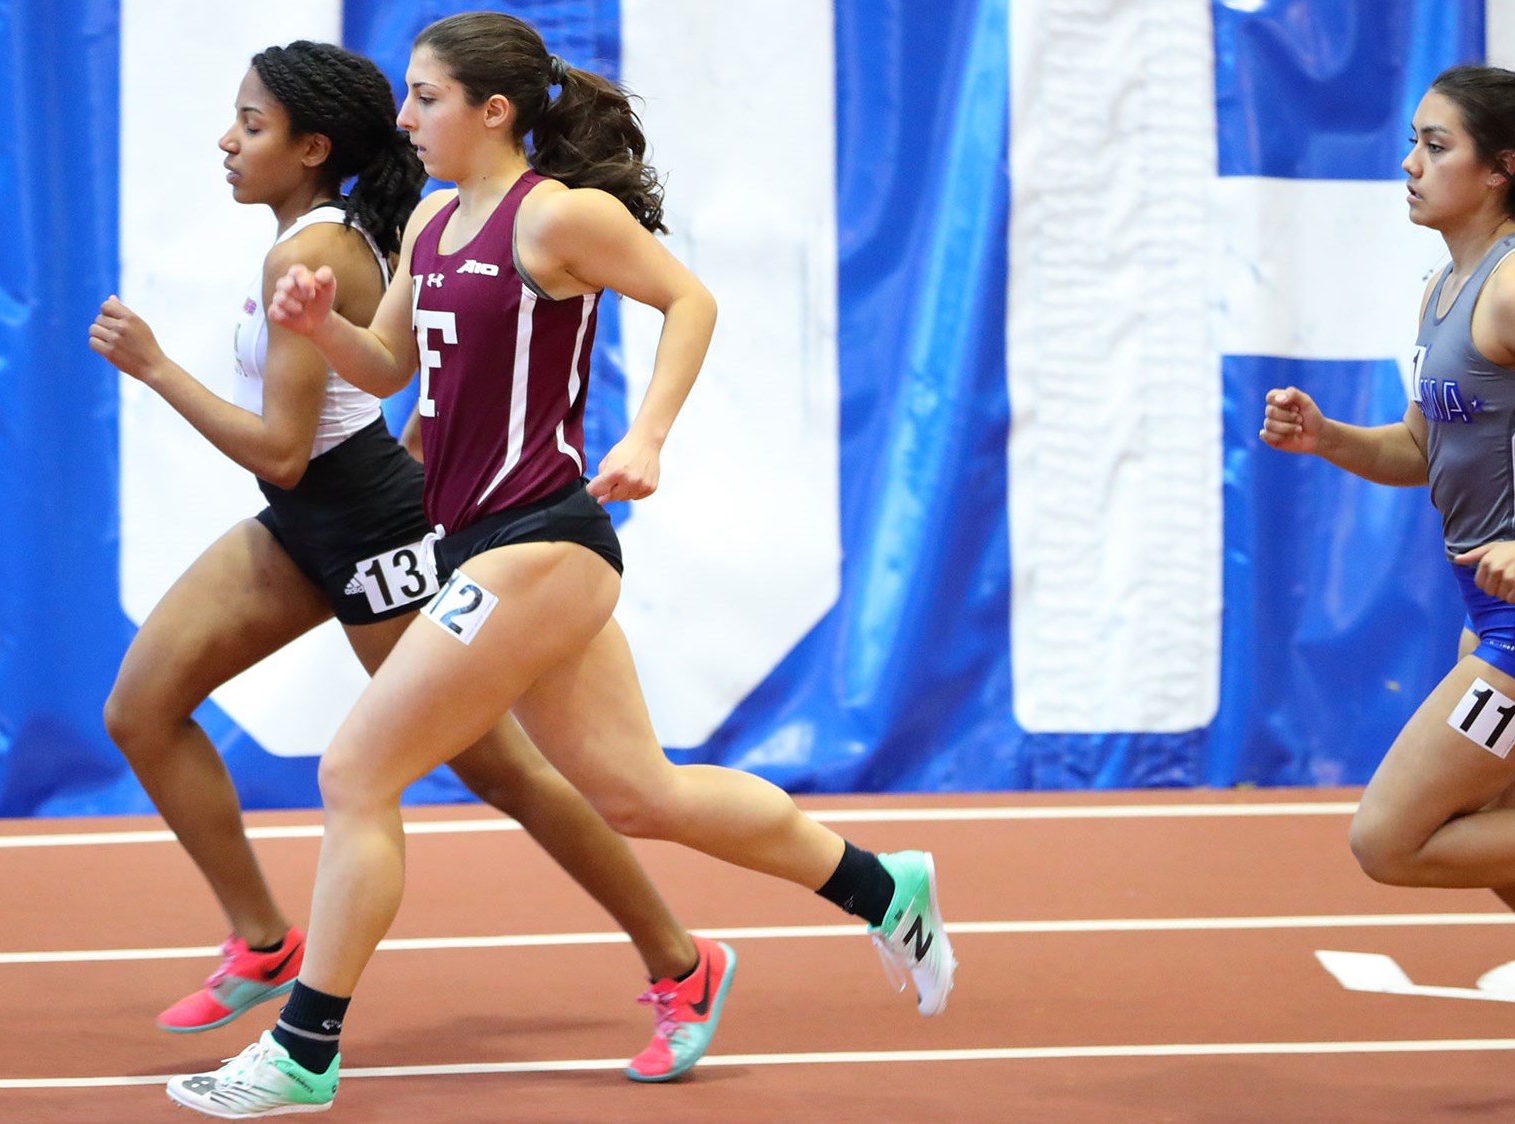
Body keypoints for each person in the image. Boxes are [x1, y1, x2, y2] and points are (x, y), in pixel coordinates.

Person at [172, 13, 956, 1117]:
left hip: (542, 536)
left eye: (425, 97)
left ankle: (304, 1047)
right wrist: (321, 326)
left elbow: (691, 299)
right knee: (640, 793)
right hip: (478, 545)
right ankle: (882, 884)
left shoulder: (558, 219)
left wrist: (646, 437)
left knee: (354, 771)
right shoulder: (436, 221)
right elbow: (394, 361)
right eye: (406, 95)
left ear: (492, 112)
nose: (403, 118)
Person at [85, 39, 732, 1099]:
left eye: (249, 125)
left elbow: (286, 446)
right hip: (305, 519)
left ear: (309, 147)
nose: (225, 141)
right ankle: (262, 938)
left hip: (372, 523)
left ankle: (680, 958)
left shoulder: (328, 249)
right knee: (143, 705)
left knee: (504, 771)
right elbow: (393, 378)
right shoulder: (351, 229)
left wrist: (155, 369)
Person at [1261, 65, 1515, 954]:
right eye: (1412, 141)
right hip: (1489, 610)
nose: (1410, 163)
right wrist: (1328, 437)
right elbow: (1420, 451)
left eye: (1436, 145)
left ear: (1499, 168)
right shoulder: (1439, 292)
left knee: (1390, 837)